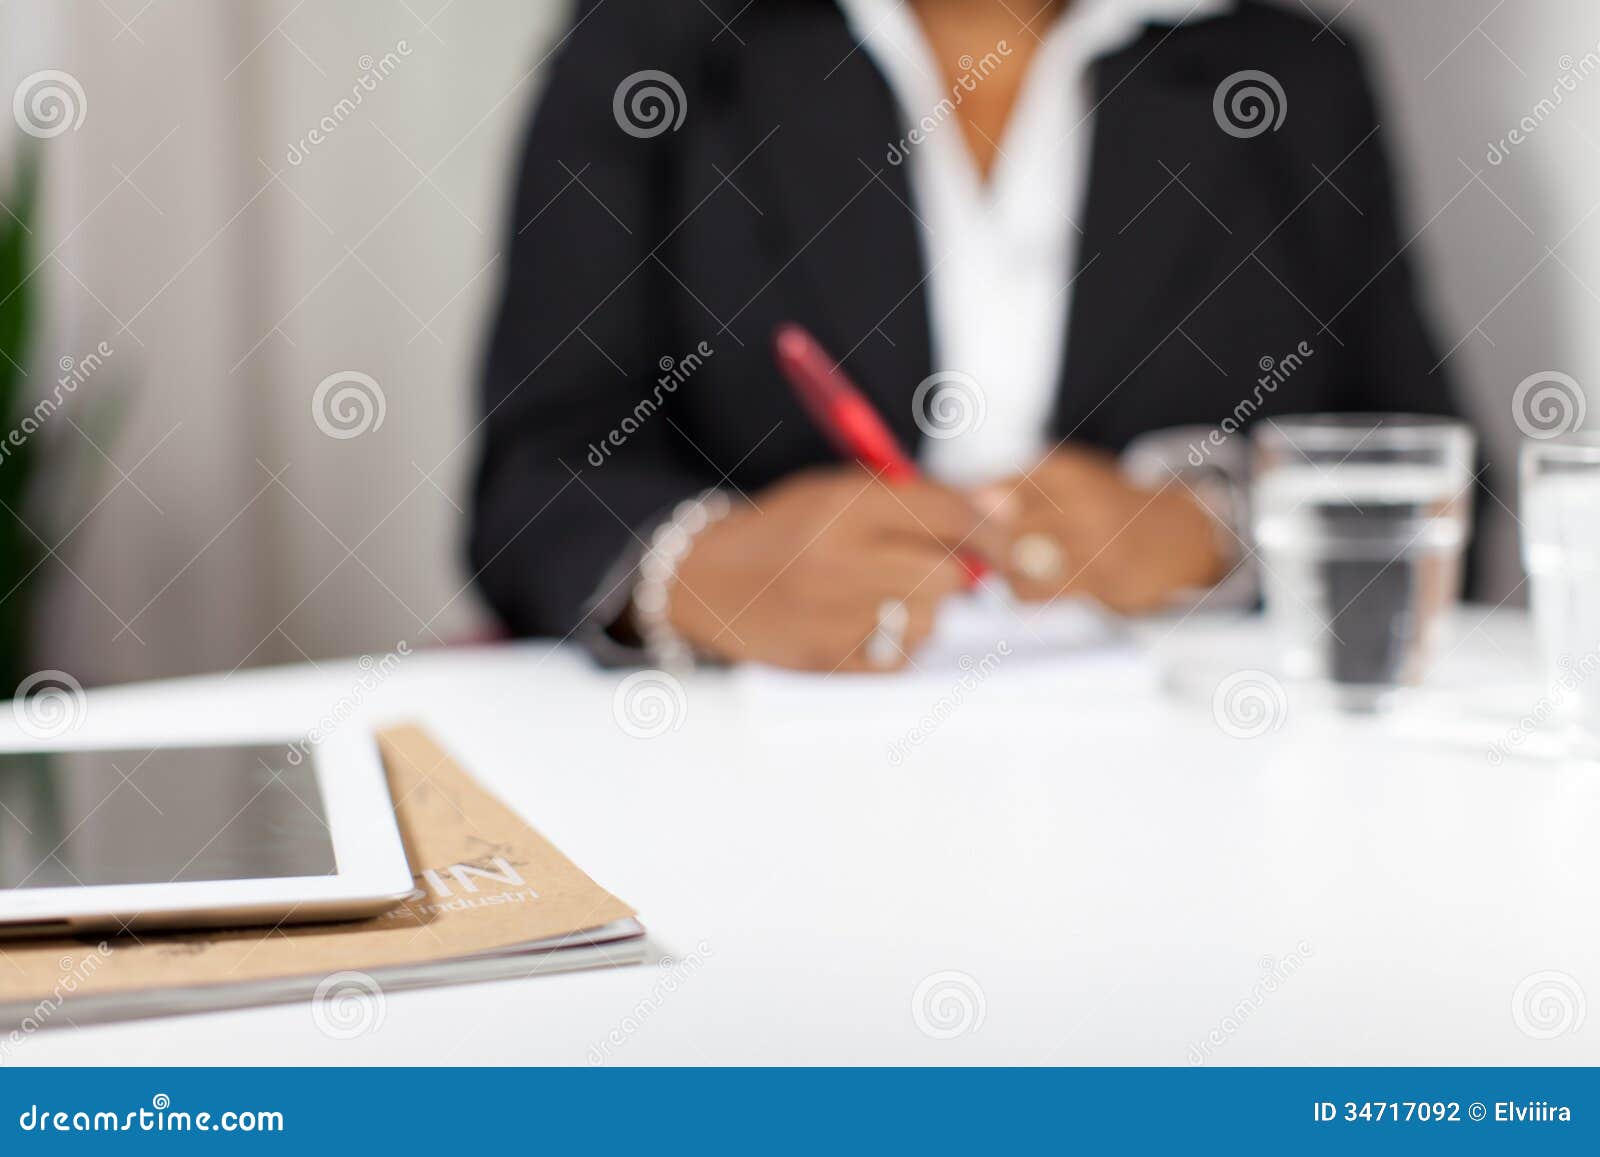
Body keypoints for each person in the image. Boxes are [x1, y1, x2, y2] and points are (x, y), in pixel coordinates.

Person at [470, 0, 1460, 671]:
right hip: (752, 772)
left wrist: (1213, 534)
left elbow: (1431, 472)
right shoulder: (649, 50)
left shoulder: (1290, 76)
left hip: (1183, 779)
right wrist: (700, 568)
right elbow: (529, 483)